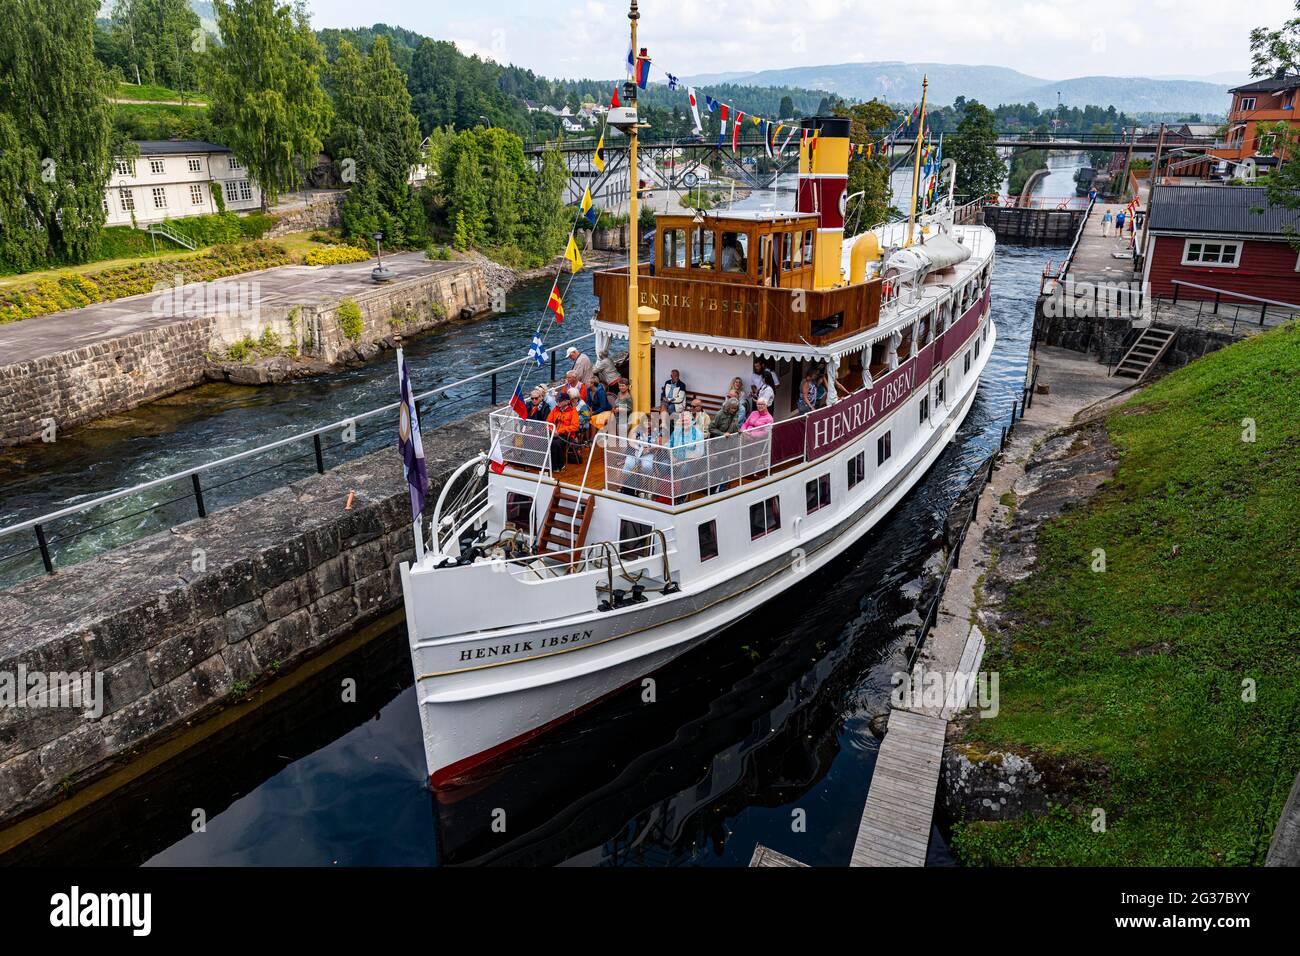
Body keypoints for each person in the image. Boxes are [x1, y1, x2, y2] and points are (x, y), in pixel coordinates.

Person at [546, 395, 581, 469]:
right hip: (554, 432)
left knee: (555, 443)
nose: (557, 402)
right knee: (544, 440)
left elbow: (575, 427)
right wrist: (552, 429)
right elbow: (548, 421)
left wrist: (560, 431)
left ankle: (558, 465)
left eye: (560, 400)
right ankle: (546, 464)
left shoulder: (573, 411)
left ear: (567, 402)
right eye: (557, 400)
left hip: (566, 435)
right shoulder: (555, 410)